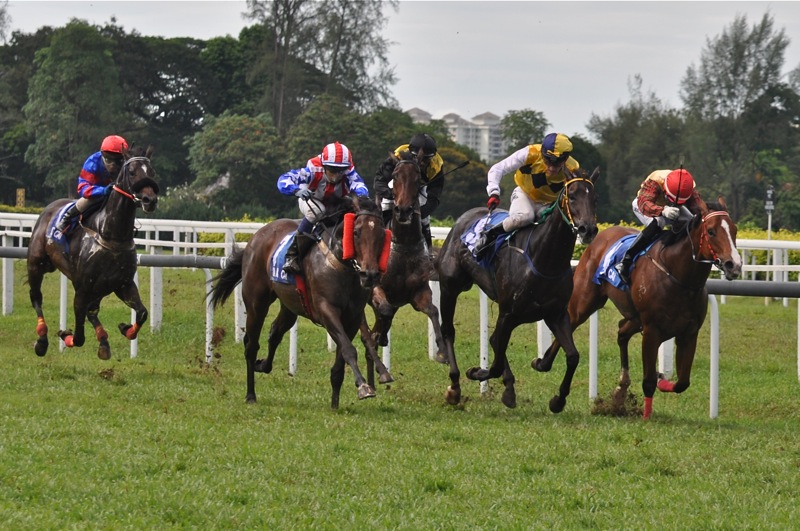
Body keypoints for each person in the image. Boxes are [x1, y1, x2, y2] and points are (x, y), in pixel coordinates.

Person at [474, 132, 579, 258]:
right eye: (547, 161)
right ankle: (491, 234)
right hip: (524, 194)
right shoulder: (530, 153)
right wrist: (494, 192)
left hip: (549, 205)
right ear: (542, 153)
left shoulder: (573, 168)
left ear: (565, 159)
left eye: (556, 163)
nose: (551, 168)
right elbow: (497, 169)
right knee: (525, 216)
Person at [277, 141, 369, 274]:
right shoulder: (314, 169)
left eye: (340, 171)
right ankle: (292, 254)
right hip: (311, 198)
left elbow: (359, 185)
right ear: (324, 165)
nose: (336, 175)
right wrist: (296, 190)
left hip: (335, 200)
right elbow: (284, 179)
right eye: (332, 170)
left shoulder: (348, 171)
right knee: (318, 211)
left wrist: (362, 198)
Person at [614, 168, 702, 284]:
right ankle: (626, 260)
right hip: (645, 204)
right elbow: (644, 203)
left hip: (669, 208)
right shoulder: (656, 181)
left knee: (690, 220)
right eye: (672, 199)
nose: (675, 203)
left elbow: (699, 208)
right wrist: (663, 210)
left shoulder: (689, 187)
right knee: (659, 221)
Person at [374, 133, 444, 252]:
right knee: (385, 204)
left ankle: (429, 250)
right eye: (419, 158)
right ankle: (377, 241)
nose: (422, 163)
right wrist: (391, 194)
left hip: (419, 187)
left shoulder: (436, 166)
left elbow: (434, 196)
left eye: (426, 159)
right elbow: (379, 181)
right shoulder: (398, 157)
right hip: (397, 185)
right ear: (411, 153)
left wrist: (421, 212)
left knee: (424, 218)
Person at [54, 135, 128, 235]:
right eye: (109, 160)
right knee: (87, 201)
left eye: (118, 161)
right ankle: (66, 219)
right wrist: (103, 191)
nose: (113, 166)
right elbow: (82, 188)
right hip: (95, 194)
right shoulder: (93, 162)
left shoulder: (127, 164)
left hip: (117, 194)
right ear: (103, 155)